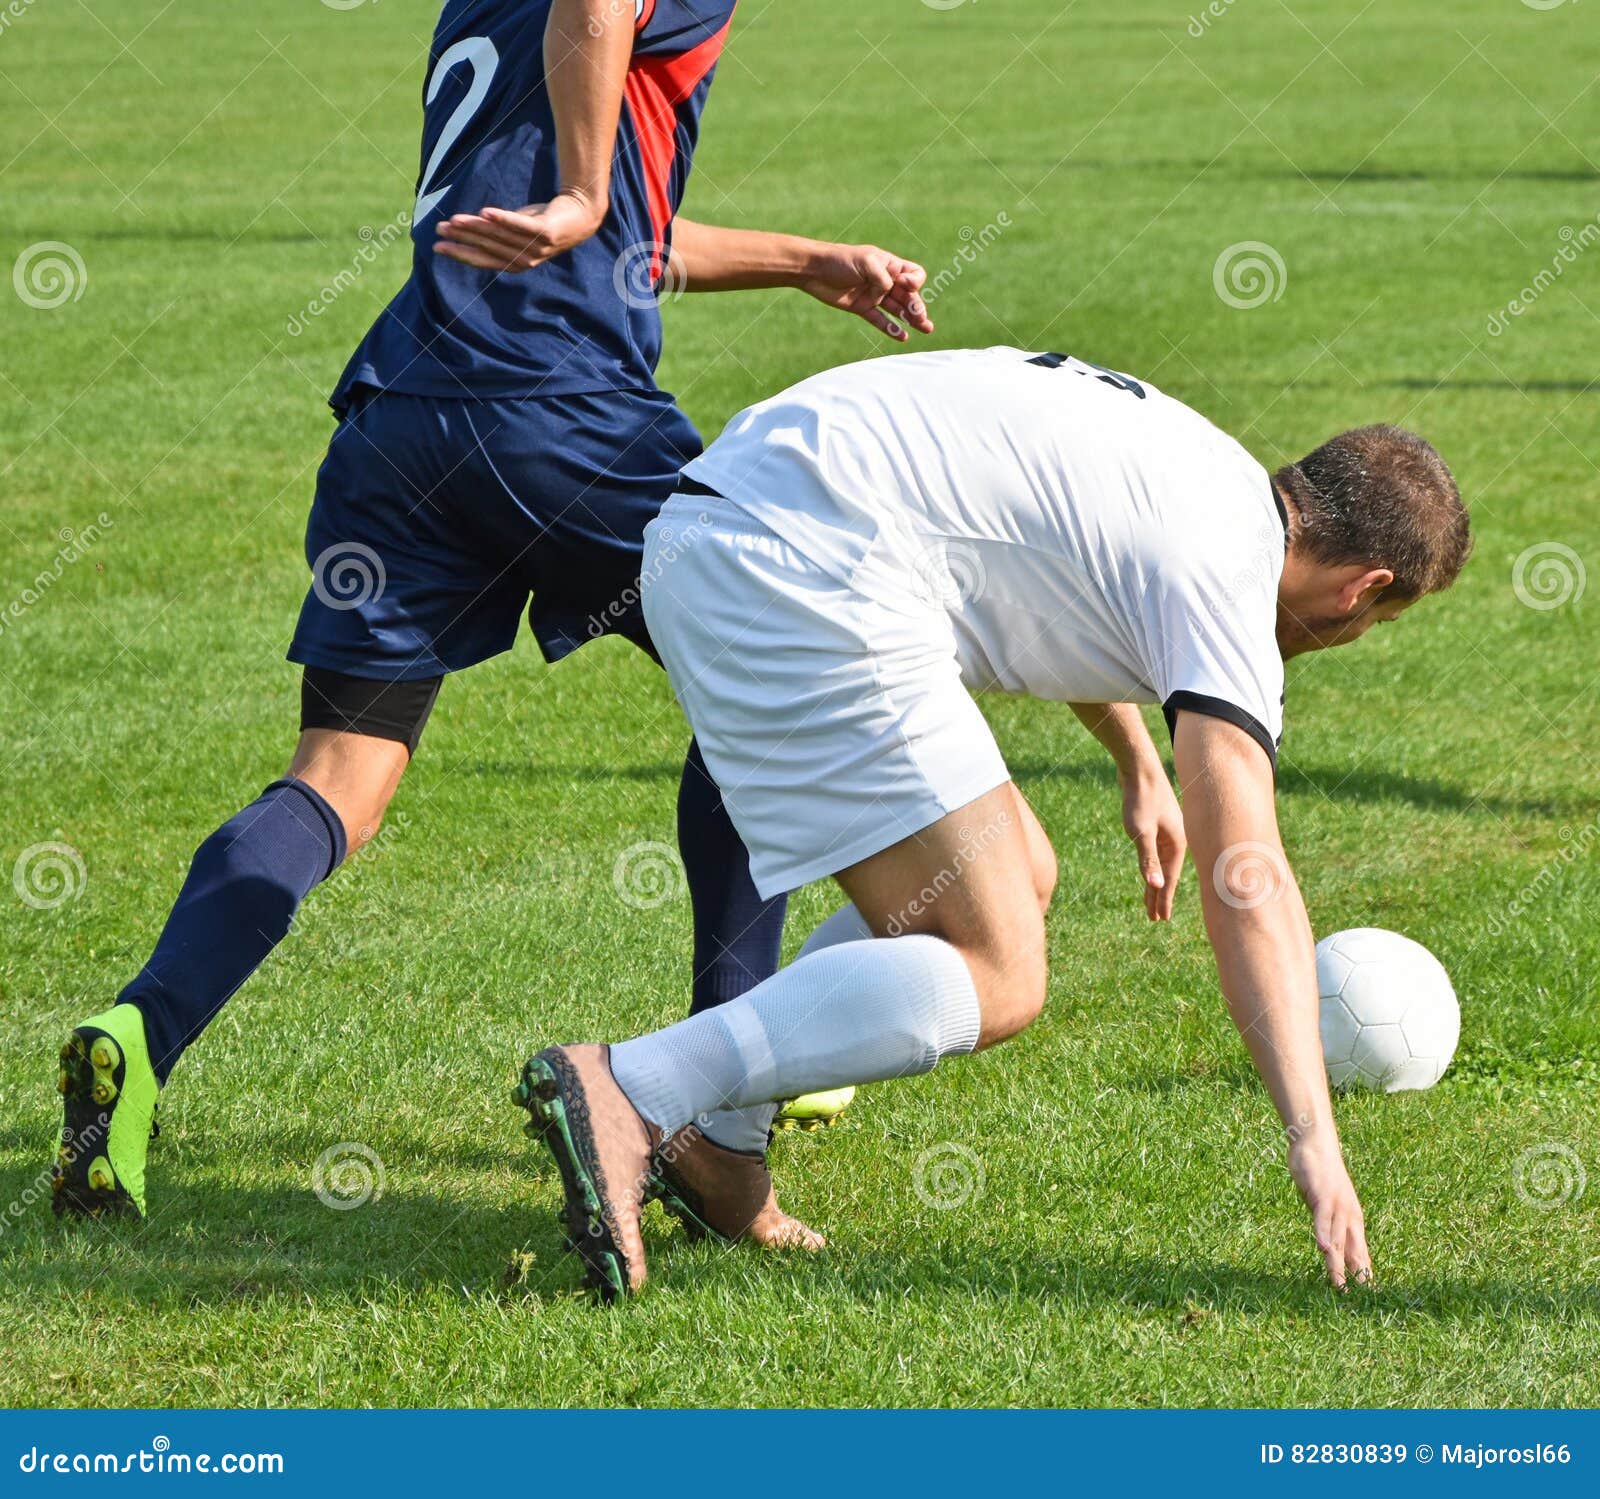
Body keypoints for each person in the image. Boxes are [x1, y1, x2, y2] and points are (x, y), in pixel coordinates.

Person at [50, 0, 940, 1240]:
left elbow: (605, 232)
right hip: (564, 412)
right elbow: (591, 85)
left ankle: (140, 1033)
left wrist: (802, 259)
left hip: (404, 411)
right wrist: (584, 194)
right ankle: (710, 1110)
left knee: (335, 782)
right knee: (768, 686)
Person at [512, 345, 1472, 1299]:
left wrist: (1137, 758)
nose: (1346, 639)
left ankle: (718, 1147)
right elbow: (1248, 878)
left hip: (741, 518)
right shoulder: (1233, 583)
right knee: (1001, 972)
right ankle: (635, 1088)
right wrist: (1314, 1139)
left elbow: (1056, 560)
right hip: (804, 565)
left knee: (1022, 867)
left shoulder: (1209, 471)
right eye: (1373, 625)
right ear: (1365, 588)